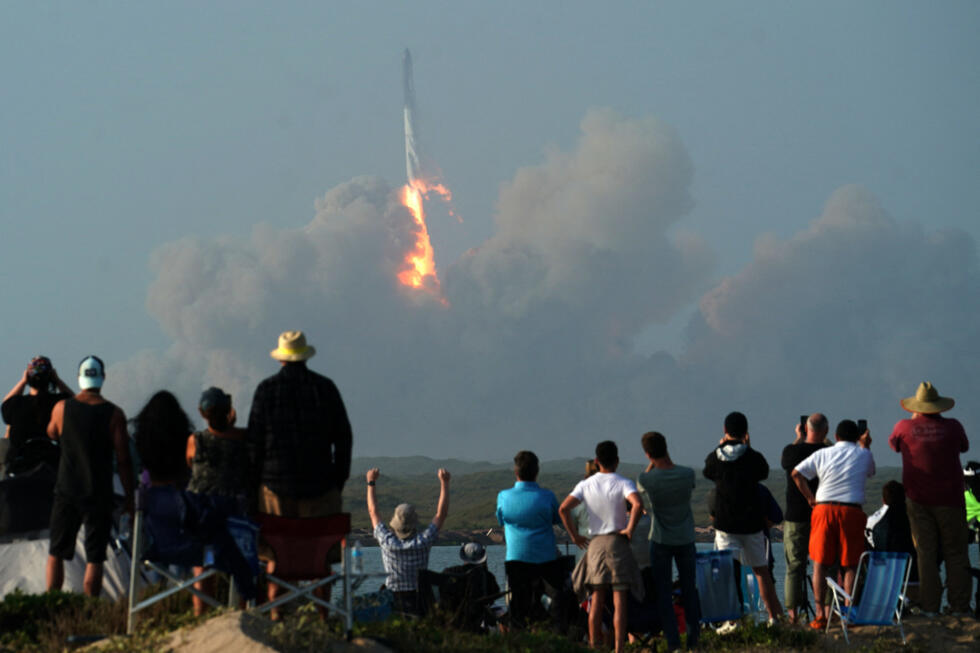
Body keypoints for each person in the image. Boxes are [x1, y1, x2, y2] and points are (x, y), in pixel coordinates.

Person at [247, 330, 353, 607]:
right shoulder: (325, 388)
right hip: (320, 489)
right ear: (305, 356)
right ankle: (323, 615)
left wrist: (254, 489)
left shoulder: (266, 390)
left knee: (276, 555)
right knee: (319, 558)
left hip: (274, 491)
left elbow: (254, 445)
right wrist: (336, 482)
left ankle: (276, 614)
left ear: (281, 358)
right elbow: (343, 439)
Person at [133, 390, 256, 611]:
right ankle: (242, 609)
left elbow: (192, 464)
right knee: (225, 551)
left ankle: (200, 610)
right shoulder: (243, 440)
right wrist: (231, 426)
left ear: (202, 412)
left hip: (190, 536)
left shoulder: (195, 441)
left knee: (204, 558)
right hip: (234, 528)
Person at [45, 356, 134, 597]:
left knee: (57, 552)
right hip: (99, 490)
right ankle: (90, 607)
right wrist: (129, 496)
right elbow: (124, 459)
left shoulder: (62, 408)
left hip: (67, 489)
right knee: (95, 556)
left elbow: (52, 432)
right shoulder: (115, 414)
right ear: (102, 378)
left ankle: (50, 603)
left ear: (79, 378)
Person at [888, 382, 971, 616]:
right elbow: (964, 447)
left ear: (917, 406)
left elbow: (894, 445)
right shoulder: (953, 427)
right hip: (952, 499)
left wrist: (915, 420)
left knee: (926, 553)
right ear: (938, 406)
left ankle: (930, 606)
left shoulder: (904, 427)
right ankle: (959, 606)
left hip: (918, 499)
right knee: (956, 553)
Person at [559, 441, 643, 653]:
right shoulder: (623, 482)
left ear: (597, 462)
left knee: (596, 597)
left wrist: (575, 536)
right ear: (617, 460)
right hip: (617, 542)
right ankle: (619, 648)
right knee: (619, 597)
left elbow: (563, 509)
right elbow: (638, 504)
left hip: (595, 544)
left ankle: (593, 644)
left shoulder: (585, 485)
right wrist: (630, 529)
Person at [791, 419, 874, 630]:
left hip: (824, 508)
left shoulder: (823, 453)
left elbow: (796, 474)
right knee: (850, 564)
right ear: (858, 437)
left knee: (820, 562)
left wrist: (810, 498)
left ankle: (820, 615)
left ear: (835, 437)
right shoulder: (864, 453)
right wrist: (866, 446)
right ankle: (848, 612)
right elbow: (871, 472)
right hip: (851, 511)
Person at [703, 411, 783, 623]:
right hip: (752, 524)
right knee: (761, 571)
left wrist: (720, 446)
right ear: (745, 433)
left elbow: (708, 471)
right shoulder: (752, 458)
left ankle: (733, 620)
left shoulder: (716, 458)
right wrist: (748, 447)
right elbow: (763, 471)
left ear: (724, 431)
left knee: (729, 572)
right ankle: (773, 618)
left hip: (726, 523)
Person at [636, 431, 699, 651]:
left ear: (647, 454)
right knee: (689, 590)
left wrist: (652, 464)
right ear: (666, 447)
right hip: (685, 538)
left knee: (663, 594)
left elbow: (641, 486)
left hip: (661, 538)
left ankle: (673, 643)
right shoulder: (687, 474)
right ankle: (693, 641)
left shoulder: (647, 478)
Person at [495, 450, 569, 629]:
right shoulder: (547, 497)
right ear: (537, 472)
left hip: (516, 560)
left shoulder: (504, 497)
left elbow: (500, 519)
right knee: (552, 608)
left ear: (516, 472)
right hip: (546, 561)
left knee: (519, 608)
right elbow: (559, 520)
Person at [366, 467, 450, 616]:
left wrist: (371, 482)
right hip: (419, 602)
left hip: (393, 601)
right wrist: (444, 483)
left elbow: (373, 512)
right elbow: (441, 514)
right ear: (415, 523)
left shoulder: (387, 542)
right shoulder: (423, 542)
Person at [780, 413, 830, 623]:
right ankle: (825, 612)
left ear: (805, 428)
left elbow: (787, 461)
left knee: (794, 566)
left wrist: (798, 438)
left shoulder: (792, 451)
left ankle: (793, 615)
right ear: (826, 431)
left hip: (795, 516)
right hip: (822, 514)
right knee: (824, 563)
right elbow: (841, 451)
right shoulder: (830, 452)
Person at [2, 356, 73, 475]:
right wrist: (58, 380)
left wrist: (23, 381)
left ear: (28, 377)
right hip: (54, 463)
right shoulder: (60, 403)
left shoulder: (16, 405)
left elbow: (5, 404)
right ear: (51, 377)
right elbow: (78, 404)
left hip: (21, 466)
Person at [439, 542, 503, 632]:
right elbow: (493, 597)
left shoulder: (449, 572)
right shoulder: (486, 576)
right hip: (474, 623)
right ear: (482, 557)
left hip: (451, 620)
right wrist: (485, 567)